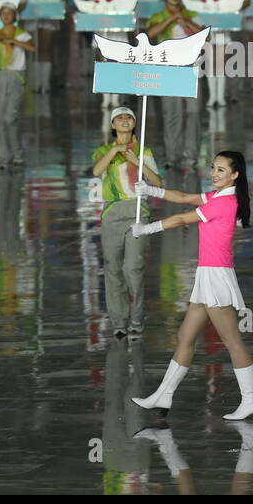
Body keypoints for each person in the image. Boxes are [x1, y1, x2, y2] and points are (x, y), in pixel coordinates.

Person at [130, 151, 253, 420]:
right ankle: (163, 395)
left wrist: (146, 229)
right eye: (214, 167)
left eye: (222, 170)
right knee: (185, 336)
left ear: (235, 175)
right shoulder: (217, 196)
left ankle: (251, 401)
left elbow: (180, 219)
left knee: (232, 341)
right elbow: (184, 197)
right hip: (206, 275)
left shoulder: (223, 203)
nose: (215, 173)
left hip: (216, 277)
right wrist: (151, 189)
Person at [92, 105, 163, 339]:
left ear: (134, 123)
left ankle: (136, 317)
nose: (124, 121)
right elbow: (96, 171)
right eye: (119, 118)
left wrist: (136, 160)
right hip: (112, 213)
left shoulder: (144, 151)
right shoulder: (103, 150)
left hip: (137, 212)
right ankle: (119, 321)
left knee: (133, 268)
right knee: (113, 268)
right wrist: (115, 152)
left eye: (128, 118)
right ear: (112, 125)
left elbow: (158, 183)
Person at [146, 0, 204, 169]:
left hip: (191, 67)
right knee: (172, 113)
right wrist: (171, 19)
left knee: (193, 112)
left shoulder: (192, 14)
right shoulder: (158, 17)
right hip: (169, 68)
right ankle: (173, 156)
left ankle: (192, 155)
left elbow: (203, 35)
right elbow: (150, 34)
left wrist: (183, 20)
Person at [0, 0, 34, 168]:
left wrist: (14, 41)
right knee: (0, 117)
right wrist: (2, 37)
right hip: (0, 74)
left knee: (10, 116)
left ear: (15, 16)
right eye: (3, 13)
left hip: (16, 76)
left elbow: (31, 47)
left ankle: (17, 152)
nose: (6, 16)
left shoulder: (22, 34)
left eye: (9, 13)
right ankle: (5, 157)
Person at [196, 0, 236, 107]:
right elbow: (198, 10)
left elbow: (232, 8)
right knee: (211, 64)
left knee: (222, 64)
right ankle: (212, 97)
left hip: (223, 31)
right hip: (209, 31)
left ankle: (220, 97)